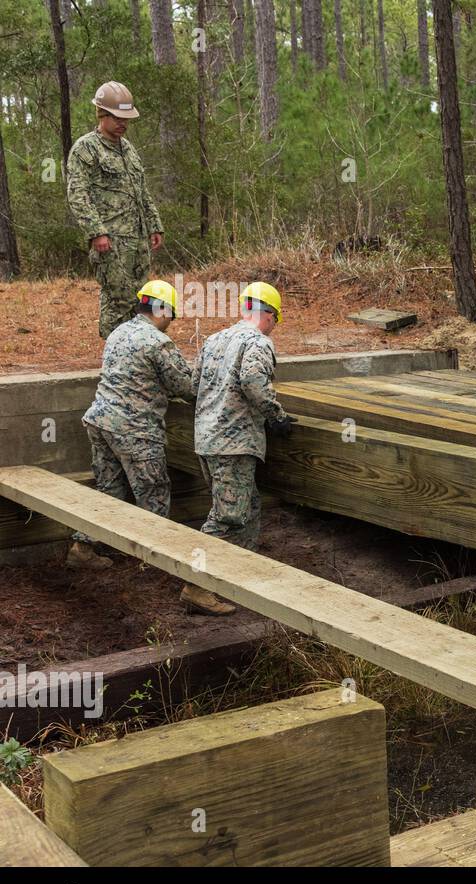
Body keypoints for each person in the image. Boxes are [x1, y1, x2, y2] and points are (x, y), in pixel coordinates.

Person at [68, 280, 194, 570]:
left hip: (100, 422)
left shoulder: (119, 332)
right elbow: (186, 386)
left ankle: (82, 547)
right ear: (161, 309)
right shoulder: (158, 342)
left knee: (109, 492)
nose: (171, 322)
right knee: (153, 493)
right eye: (171, 314)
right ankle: (153, 560)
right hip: (135, 430)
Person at [187, 282, 296, 615]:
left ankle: (238, 575)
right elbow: (252, 380)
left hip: (207, 440)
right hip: (234, 446)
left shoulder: (214, 340)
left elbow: (194, 385)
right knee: (227, 517)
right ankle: (196, 586)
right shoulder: (258, 342)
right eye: (274, 319)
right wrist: (276, 416)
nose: (273, 326)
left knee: (248, 508)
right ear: (268, 314)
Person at [66, 81, 165, 340]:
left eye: (126, 119)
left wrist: (154, 225)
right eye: (117, 118)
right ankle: (113, 352)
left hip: (137, 239)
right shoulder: (86, 148)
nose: (123, 124)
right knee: (117, 297)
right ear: (102, 114)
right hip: (110, 241)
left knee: (139, 299)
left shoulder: (128, 149)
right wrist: (96, 232)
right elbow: (78, 195)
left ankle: (132, 352)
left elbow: (142, 191)